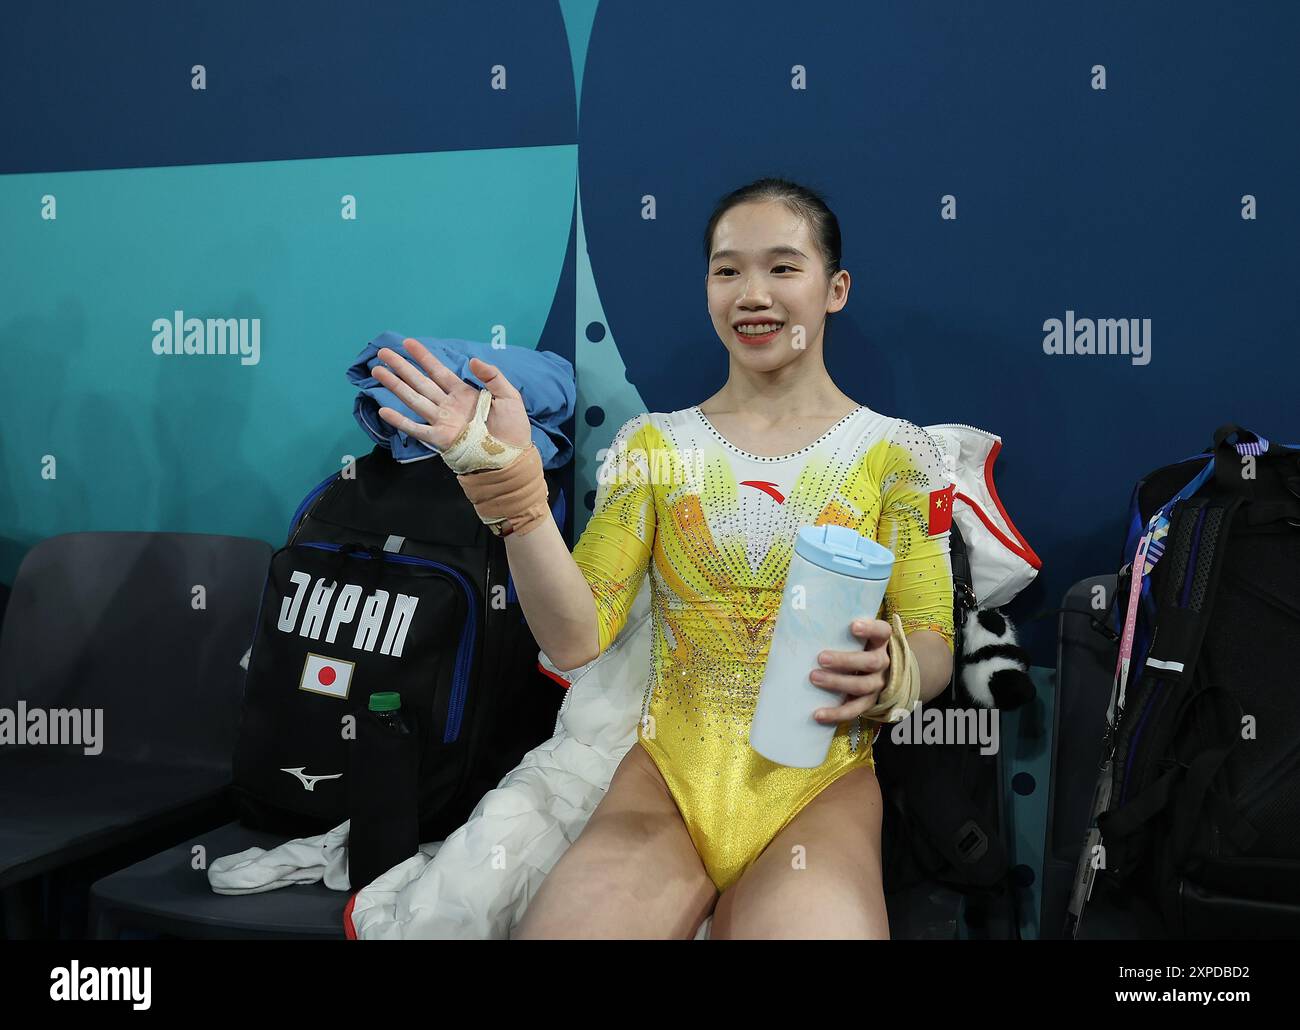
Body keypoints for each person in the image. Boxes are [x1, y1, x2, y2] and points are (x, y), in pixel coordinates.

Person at [372, 177, 955, 939]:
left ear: (835, 289)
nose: (753, 294)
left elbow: (935, 640)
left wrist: (894, 672)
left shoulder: (897, 453)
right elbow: (575, 636)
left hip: (822, 788)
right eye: (727, 270)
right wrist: (516, 498)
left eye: (784, 268)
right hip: (666, 786)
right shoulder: (653, 447)